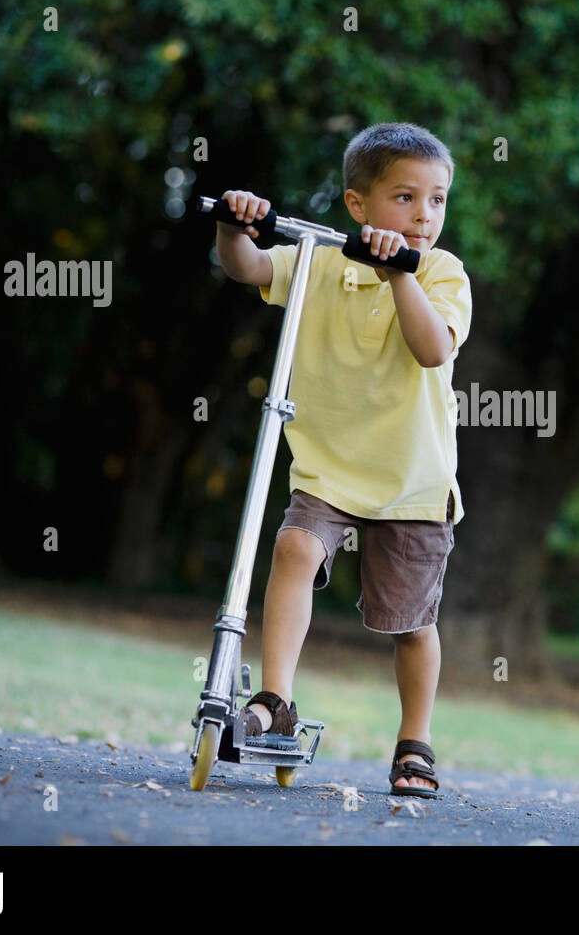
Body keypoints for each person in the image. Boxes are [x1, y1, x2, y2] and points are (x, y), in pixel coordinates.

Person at [213, 122, 470, 799]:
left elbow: (432, 349)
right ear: (358, 206)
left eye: (437, 201)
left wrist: (399, 277)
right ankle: (277, 698)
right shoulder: (321, 259)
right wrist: (237, 229)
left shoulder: (441, 273)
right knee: (294, 548)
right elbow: (250, 268)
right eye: (406, 197)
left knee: (410, 624)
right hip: (329, 469)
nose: (424, 215)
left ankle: (415, 741)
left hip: (411, 482)